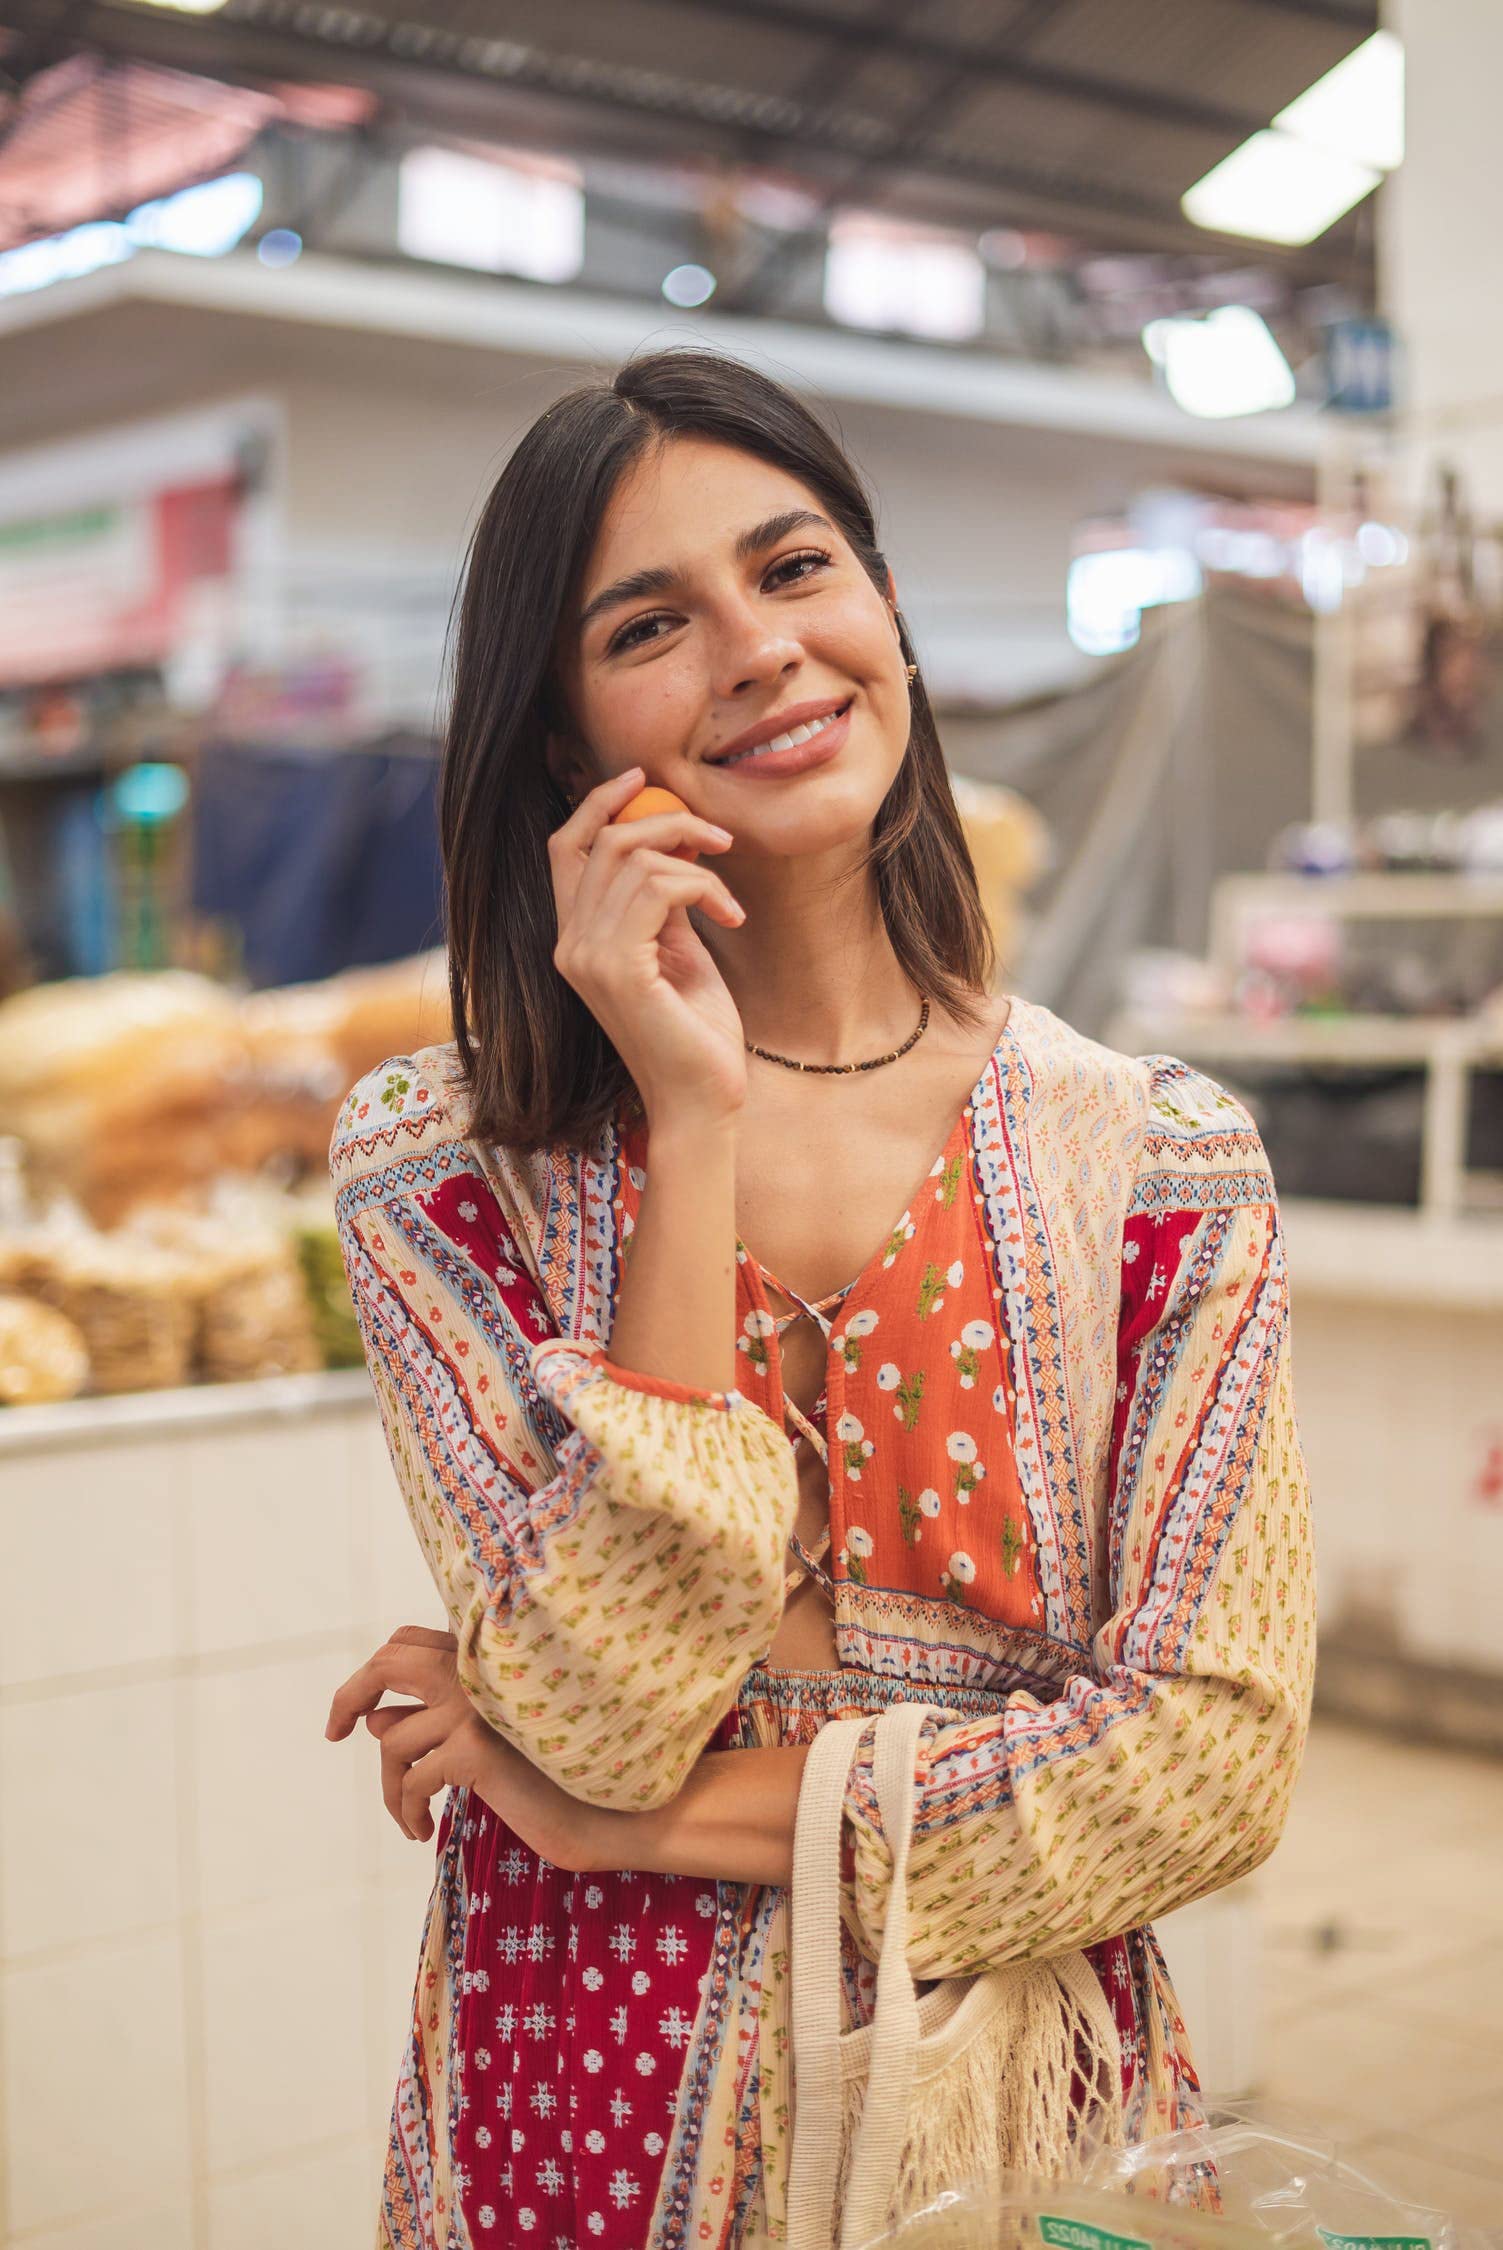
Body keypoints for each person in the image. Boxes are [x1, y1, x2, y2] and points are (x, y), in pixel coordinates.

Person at [325, 347, 1315, 2250]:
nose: (760, 650)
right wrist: (688, 1120)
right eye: (652, 624)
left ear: (891, 623)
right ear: (563, 739)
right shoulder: (448, 1160)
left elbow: (1202, 1765)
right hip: (585, 2114)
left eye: (796, 571)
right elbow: (612, 1700)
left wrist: (617, 1826)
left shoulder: (1162, 1163)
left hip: (1021, 2117)